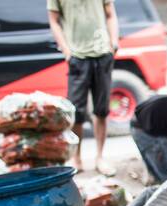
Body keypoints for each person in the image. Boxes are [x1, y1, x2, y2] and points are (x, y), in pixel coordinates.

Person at [47, 0, 120, 174]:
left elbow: (110, 14)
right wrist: (67, 51)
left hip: (102, 54)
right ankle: (77, 158)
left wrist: (113, 43)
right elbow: (53, 20)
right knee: (76, 113)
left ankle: (100, 158)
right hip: (77, 58)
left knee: (101, 111)